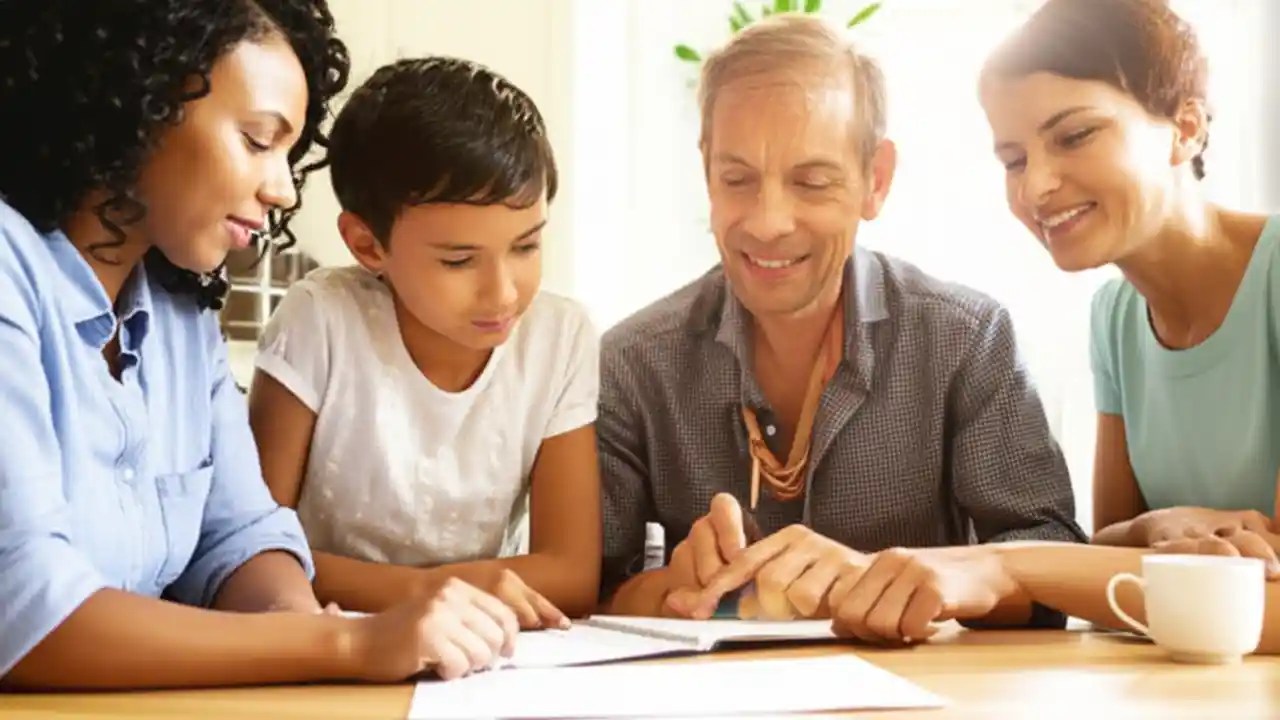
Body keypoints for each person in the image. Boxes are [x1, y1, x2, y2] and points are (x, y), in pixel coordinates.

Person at [0, 0, 519, 689]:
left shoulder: (181, 317)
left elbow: (240, 536)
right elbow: (27, 613)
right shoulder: (10, 272)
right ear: (139, 104)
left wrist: (300, 625)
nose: (282, 190)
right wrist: (344, 644)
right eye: (256, 140)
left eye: (288, 153)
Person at [598, 14, 1085, 626]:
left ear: (875, 181)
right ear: (707, 172)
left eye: (811, 182)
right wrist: (673, 586)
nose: (768, 222)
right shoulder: (633, 361)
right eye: (737, 179)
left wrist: (893, 579)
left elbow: (1056, 565)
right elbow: (586, 590)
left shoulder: (965, 338)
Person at [248, 57, 602, 627]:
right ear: (368, 245)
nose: (503, 292)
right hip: (330, 640)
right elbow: (249, 552)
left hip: (485, 649)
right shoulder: (321, 320)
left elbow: (572, 575)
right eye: (459, 261)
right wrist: (431, 593)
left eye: (526, 246)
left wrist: (446, 597)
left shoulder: (559, 339)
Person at [978, 0, 1280, 559]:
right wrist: (1155, 528)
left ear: (1185, 129)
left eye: (1075, 135)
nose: (1035, 187)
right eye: (1014, 160)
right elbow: (1110, 553)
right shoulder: (1115, 315)